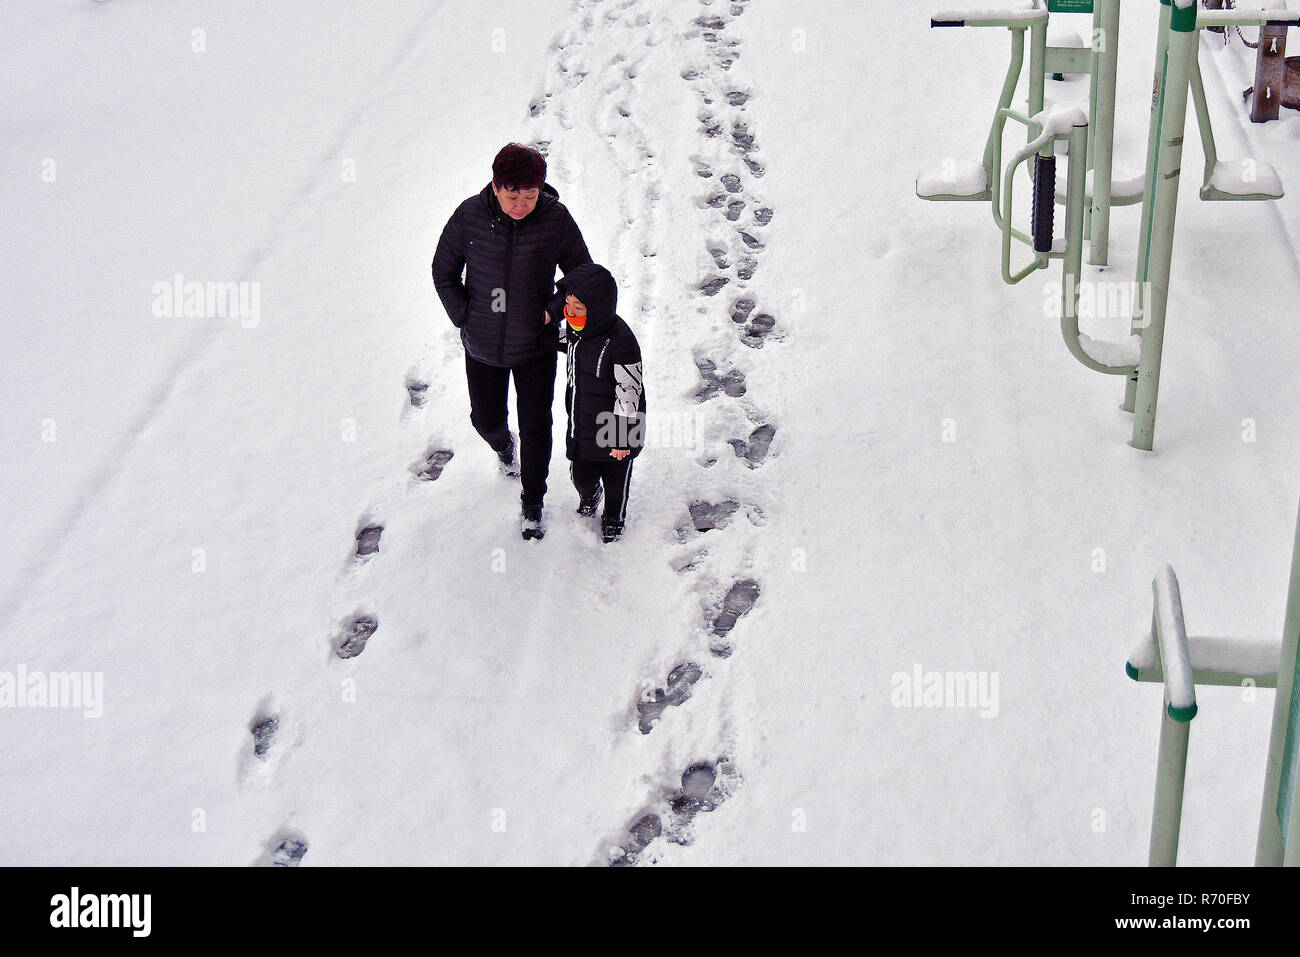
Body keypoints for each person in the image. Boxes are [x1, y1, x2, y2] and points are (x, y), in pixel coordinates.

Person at [431, 143, 592, 539]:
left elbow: (582, 275)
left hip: (534, 346)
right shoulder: (469, 216)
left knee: (537, 425)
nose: (522, 204)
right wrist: (465, 317)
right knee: (486, 419)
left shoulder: (555, 220)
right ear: (496, 184)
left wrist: (551, 311)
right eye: (513, 195)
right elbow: (443, 271)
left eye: (530, 195)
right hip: (482, 345)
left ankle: (533, 500)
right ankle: (504, 447)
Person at [551, 263, 646, 543]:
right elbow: (560, 339)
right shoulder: (576, 332)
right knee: (581, 475)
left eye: (578, 308)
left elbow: (629, 390)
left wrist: (622, 438)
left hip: (618, 427)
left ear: (598, 307)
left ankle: (614, 517)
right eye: (567, 306)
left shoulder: (622, 342)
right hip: (583, 423)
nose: (570, 313)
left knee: (616, 481)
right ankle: (590, 495)